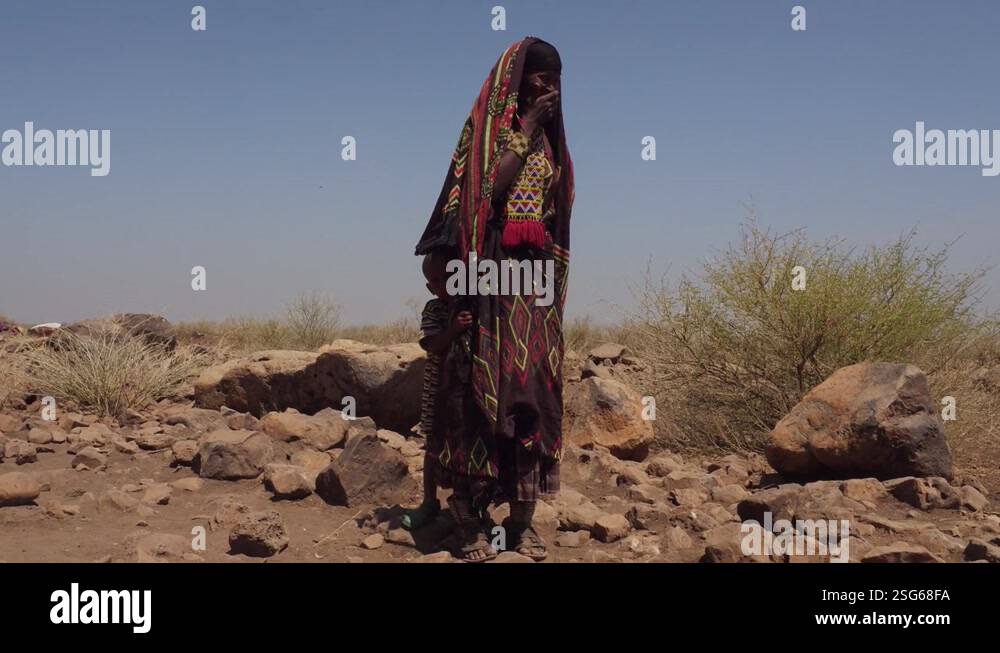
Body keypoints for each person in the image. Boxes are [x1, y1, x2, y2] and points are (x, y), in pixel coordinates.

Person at [415, 37, 574, 561]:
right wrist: (525, 127)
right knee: (476, 398)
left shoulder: (555, 147)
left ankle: (523, 524)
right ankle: (469, 527)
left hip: (532, 292)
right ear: (516, 81)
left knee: (533, 396)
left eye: (556, 80)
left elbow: (556, 215)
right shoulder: (488, 136)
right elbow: (483, 194)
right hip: (485, 283)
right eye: (539, 78)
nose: (549, 88)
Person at [402, 249, 473, 530]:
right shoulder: (435, 309)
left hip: (464, 392)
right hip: (437, 389)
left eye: (451, 276)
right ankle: (429, 502)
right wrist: (454, 328)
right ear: (430, 287)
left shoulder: (473, 305)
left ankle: (467, 503)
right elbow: (433, 346)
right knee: (432, 446)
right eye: (437, 280)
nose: (445, 283)